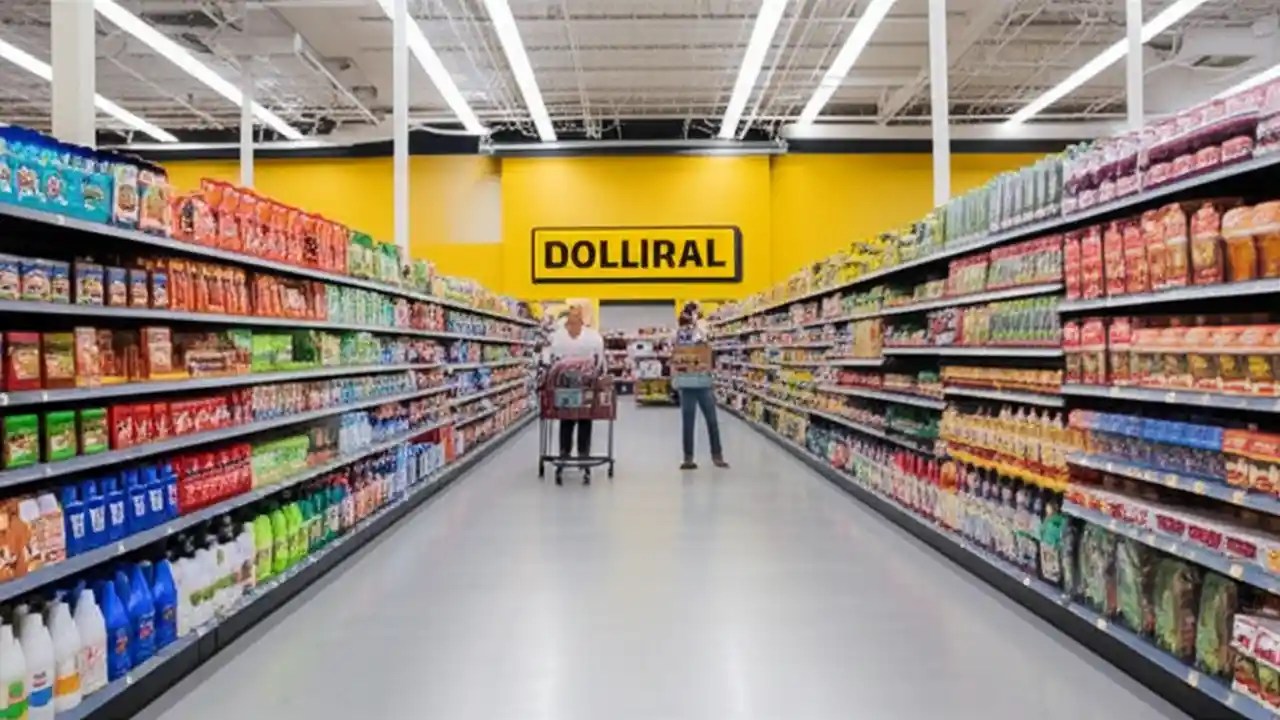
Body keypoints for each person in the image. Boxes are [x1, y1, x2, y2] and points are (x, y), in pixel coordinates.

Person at [544, 304, 605, 483]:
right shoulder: (557, 337)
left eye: (577, 317)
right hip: (564, 387)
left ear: (582, 319)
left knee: (584, 420)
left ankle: (583, 454)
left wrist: (598, 378)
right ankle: (565, 453)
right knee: (567, 420)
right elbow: (550, 359)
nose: (574, 321)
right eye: (571, 318)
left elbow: (600, 362)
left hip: (586, 386)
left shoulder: (593, 338)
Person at [674, 302, 728, 470]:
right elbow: (677, 355)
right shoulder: (681, 334)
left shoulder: (704, 332)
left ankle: (715, 455)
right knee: (694, 422)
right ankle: (689, 458)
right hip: (690, 382)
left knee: (709, 421)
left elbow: (710, 349)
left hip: (701, 382)